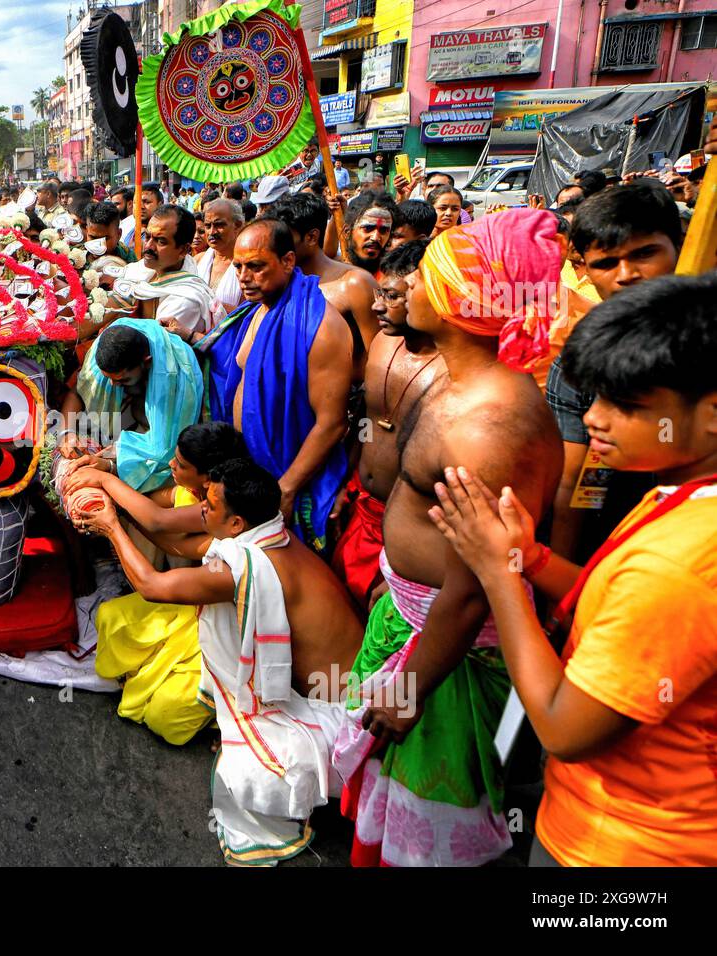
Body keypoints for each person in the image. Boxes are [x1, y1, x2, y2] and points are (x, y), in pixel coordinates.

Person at [429, 273, 717, 866]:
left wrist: (497, 575)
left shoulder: (677, 566)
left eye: (627, 405)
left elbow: (562, 728)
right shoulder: (687, 492)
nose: (595, 419)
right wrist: (528, 557)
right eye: (595, 398)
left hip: (621, 848)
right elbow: (605, 603)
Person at [331, 208, 564, 867]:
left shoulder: (489, 425)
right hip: (410, 621)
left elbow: (473, 585)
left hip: (444, 657)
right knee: (387, 810)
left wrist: (414, 689)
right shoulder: (457, 384)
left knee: (431, 837)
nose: (409, 290)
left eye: (426, 279)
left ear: (459, 302)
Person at [77, 458, 364, 865]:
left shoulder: (243, 566)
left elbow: (153, 586)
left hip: (340, 714)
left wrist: (110, 527)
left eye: (209, 507)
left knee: (204, 744)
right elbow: (168, 536)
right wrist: (108, 489)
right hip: (326, 684)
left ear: (236, 524)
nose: (201, 509)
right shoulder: (262, 534)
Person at [64, 423, 249, 744]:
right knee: (111, 618)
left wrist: (108, 498)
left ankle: (220, 708)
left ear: (207, 479)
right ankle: (152, 672)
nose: (171, 467)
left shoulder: (226, 518)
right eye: (174, 459)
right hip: (189, 601)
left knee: (164, 717)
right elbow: (169, 538)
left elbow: (157, 526)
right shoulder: (192, 496)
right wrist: (113, 507)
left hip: (217, 625)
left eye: (181, 465)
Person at [545, 182, 681, 563]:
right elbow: (580, 480)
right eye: (606, 263)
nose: (626, 275)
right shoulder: (579, 360)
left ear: (678, 245)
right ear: (584, 270)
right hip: (626, 549)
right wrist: (564, 578)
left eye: (644, 254)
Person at [198, 218, 350, 552]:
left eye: (256, 266)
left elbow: (331, 423)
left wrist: (287, 488)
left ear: (288, 261)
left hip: (287, 479)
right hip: (248, 474)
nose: (243, 277)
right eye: (238, 267)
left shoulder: (321, 327)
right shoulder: (254, 311)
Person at [330, 240, 438, 606]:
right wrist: (348, 480)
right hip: (362, 508)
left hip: (411, 531)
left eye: (391, 296)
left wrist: (404, 564)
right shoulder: (381, 343)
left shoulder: (454, 368)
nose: (376, 305)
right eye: (379, 293)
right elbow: (368, 419)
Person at [60, 321, 202, 494]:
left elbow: (164, 451)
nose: (112, 385)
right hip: (115, 439)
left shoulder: (176, 382)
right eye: (109, 378)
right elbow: (77, 394)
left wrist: (110, 466)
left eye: (122, 379)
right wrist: (66, 433)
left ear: (147, 363)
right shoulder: (108, 354)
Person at [275, 192, 379, 385]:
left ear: (312, 237)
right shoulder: (280, 282)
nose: (278, 247)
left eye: (286, 239)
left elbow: (380, 355)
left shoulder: (355, 284)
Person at [113, 204, 215, 340]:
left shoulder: (186, 300)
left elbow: (153, 345)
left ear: (183, 250)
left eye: (160, 241)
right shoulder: (143, 269)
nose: (148, 246)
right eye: (147, 236)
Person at [194, 199, 245, 323]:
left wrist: (215, 307)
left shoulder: (247, 267)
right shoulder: (198, 260)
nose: (212, 232)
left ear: (237, 225)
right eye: (208, 226)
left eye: (219, 225)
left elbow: (250, 314)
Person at [121, 183, 163, 248]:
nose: (141, 206)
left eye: (147, 202)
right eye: (137, 202)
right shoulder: (125, 228)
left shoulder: (163, 234)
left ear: (160, 205)